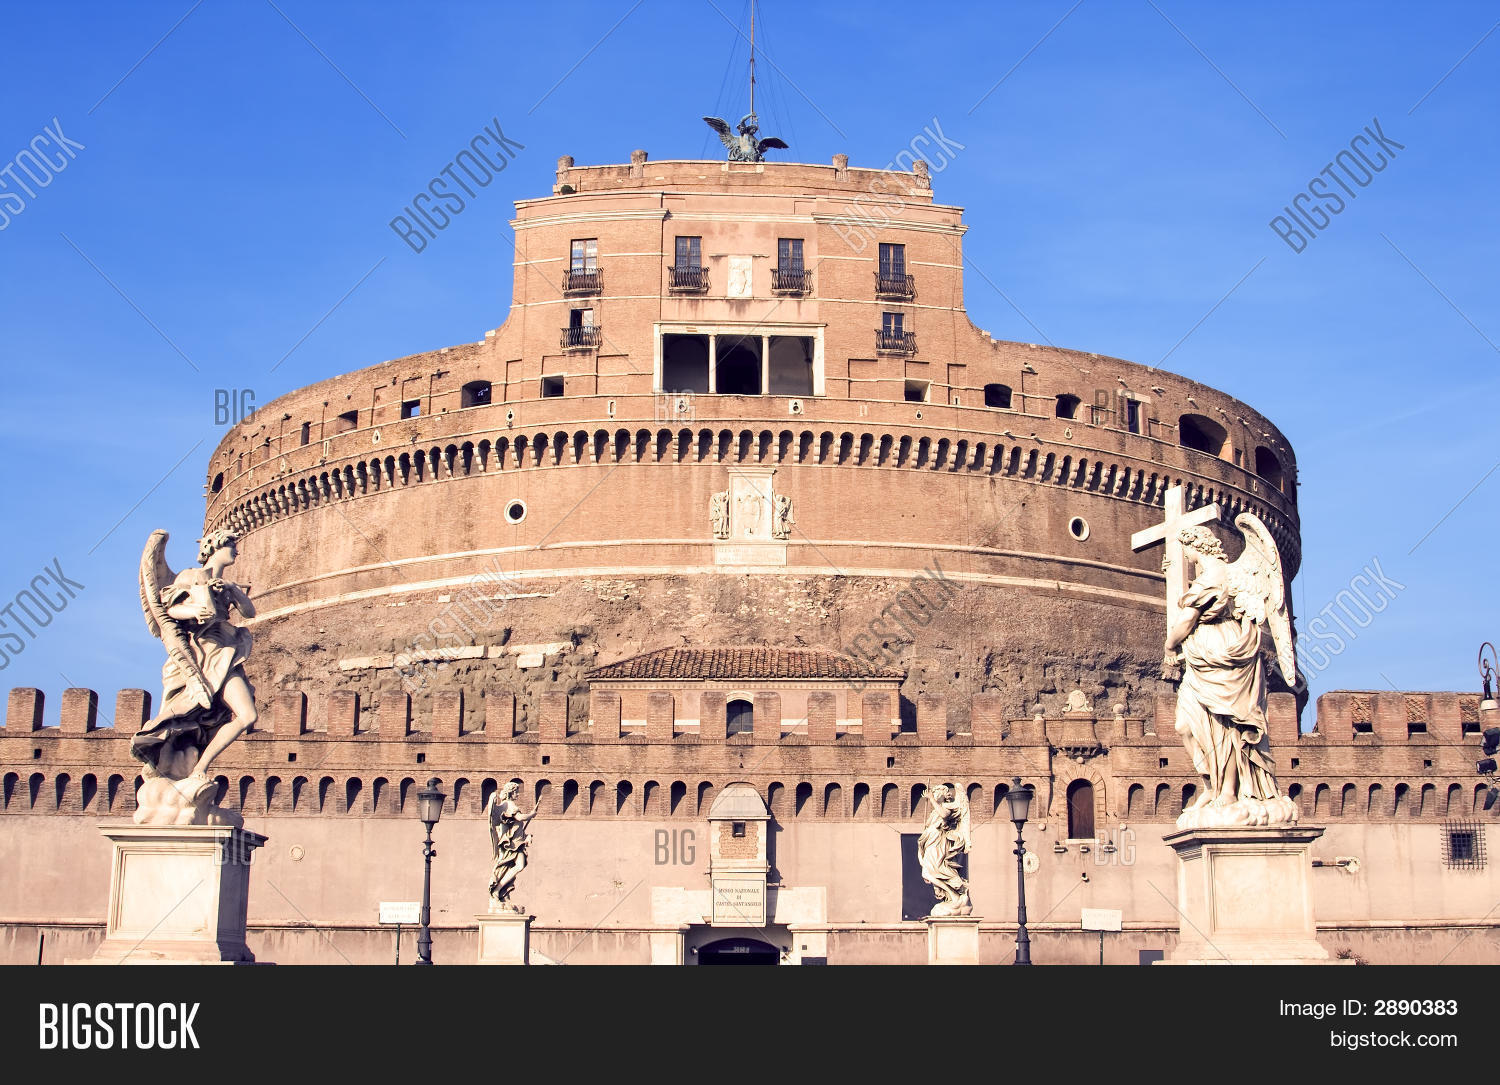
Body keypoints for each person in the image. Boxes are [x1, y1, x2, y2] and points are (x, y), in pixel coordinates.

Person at [131, 529, 257, 805]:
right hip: (200, 654)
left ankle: (201, 767)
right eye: (231, 545)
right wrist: (194, 611)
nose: (236, 551)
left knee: (247, 716)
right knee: (185, 713)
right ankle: (181, 764)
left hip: (226, 651)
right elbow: (169, 610)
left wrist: (234, 592)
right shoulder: (191, 577)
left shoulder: (226, 583)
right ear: (216, 547)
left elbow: (250, 613)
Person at [1166, 525, 1281, 812]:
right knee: (1185, 725)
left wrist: (1170, 645)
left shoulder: (1217, 575)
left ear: (1198, 547)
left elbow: (1186, 620)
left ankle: (1228, 790)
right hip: (1202, 655)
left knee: (1226, 726)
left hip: (1221, 651)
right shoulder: (1207, 577)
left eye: (1186, 549)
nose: (1186, 555)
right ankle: (1211, 783)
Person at [917, 783, 972, 916]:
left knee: (929, 872)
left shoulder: (946, 807)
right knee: (929, 872)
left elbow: (944, 815)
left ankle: (954, 896)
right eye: (933, 792)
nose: (934, 793)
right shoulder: (933, 811)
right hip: (929, 842)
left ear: (943, 795)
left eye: (937, 792)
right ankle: (953, 896)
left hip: (938, 843)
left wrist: (931, 799)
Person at [486, 782, 538, 908]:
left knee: (519, 865)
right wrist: (532, 814)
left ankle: (501, 892)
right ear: (510, 792)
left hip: (517, 842)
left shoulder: (509, 804)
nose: (518, 794)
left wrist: (526, 837)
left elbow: (516, 828)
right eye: (516, 791)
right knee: (518, 865)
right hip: (511, 845)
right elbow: (520, 818)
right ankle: (497, 890)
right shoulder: (509, 804)